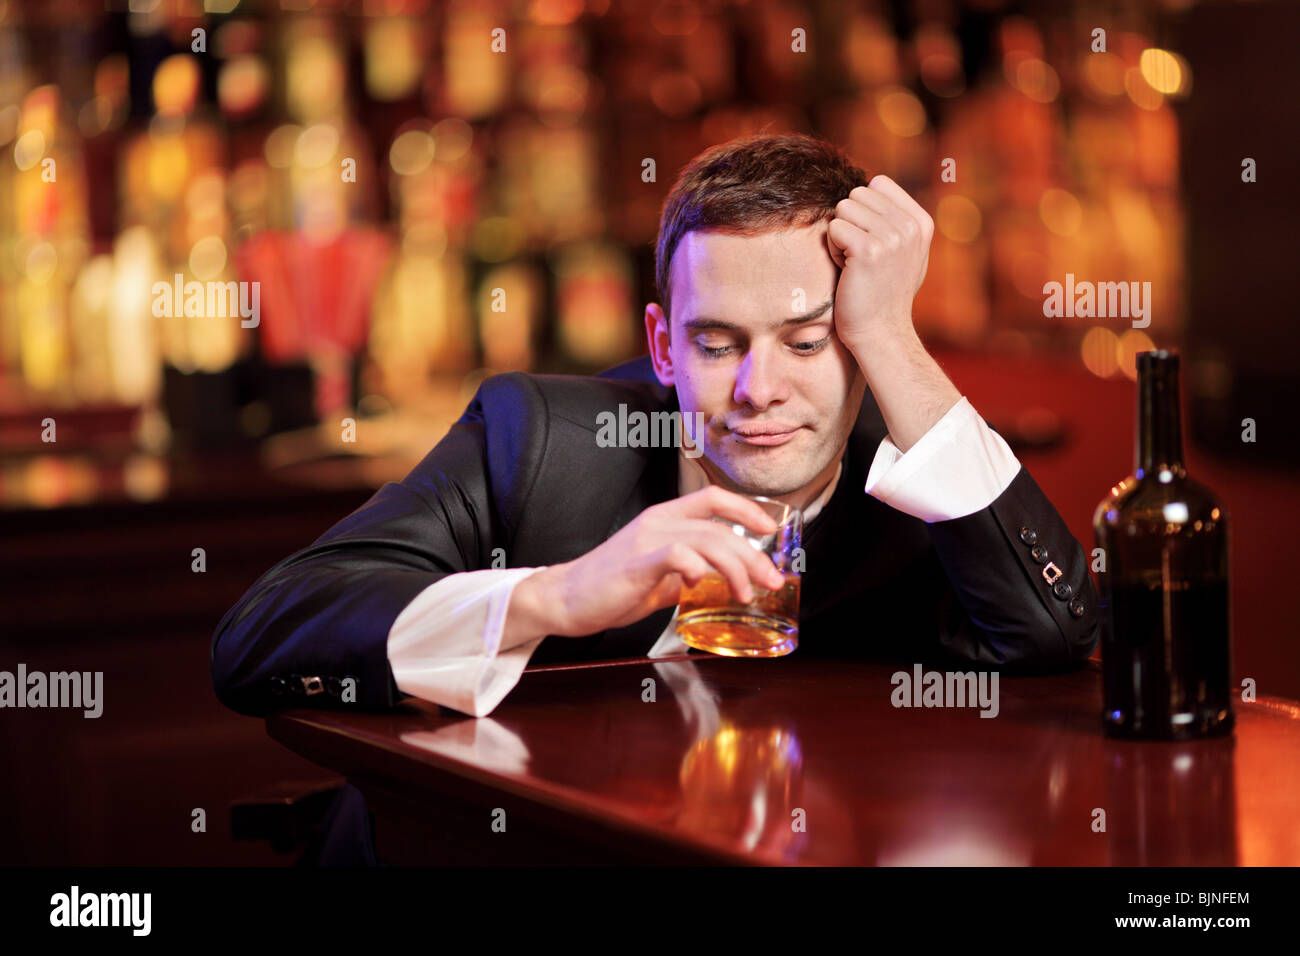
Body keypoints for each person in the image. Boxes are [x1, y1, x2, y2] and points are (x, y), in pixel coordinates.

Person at [211, 132, 1099, 722]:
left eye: (809, 341)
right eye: (717, 344)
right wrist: (553, 595)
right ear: (661, 344)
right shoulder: (538, 440)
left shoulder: (922, 491)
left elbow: (1058, 637)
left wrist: (891, 337)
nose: (760, 389)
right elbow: (259, 639)